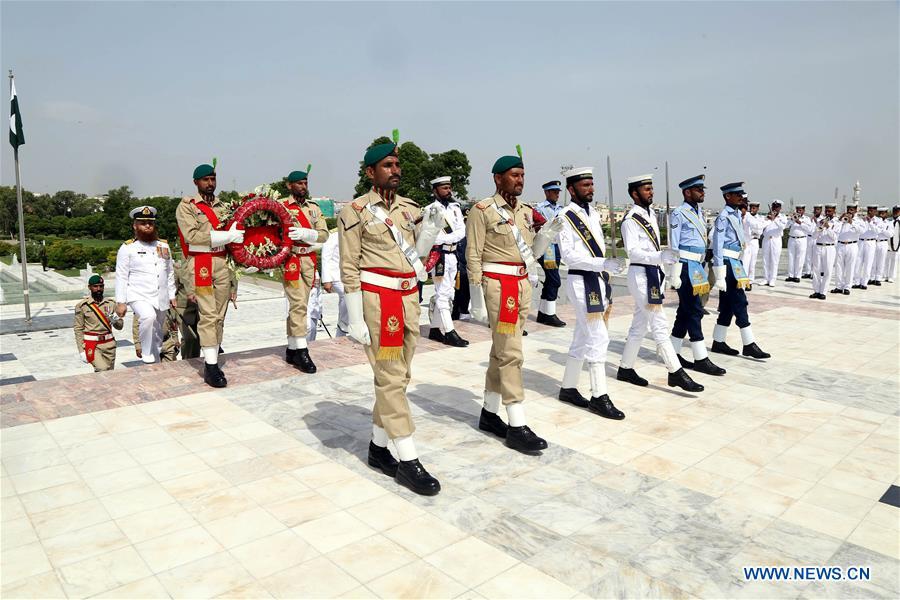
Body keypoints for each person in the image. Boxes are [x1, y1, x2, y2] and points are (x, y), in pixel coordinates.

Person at [339, 134, 444, 496]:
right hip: (379, 303)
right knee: (391, 376)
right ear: (371, 172)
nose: (395, 170)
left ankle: (378, 448)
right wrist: (354, 317)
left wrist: (429, 229)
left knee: (399, 376)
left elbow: (417, 255)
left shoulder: (409, 209)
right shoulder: (354, 212)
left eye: (397, 165)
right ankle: (409, 460)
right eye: (388, 165)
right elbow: (349, 266)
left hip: (408, 299)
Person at [466, 150, 554, 454]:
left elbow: (532, 251)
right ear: (498, 178)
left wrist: (546, 238)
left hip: (521, 285)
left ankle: (489, 414)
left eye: (522, 175)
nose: (520, 181)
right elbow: (473, 254)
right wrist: (476, 297)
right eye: (514, 175)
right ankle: (517, 424)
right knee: (512, 353)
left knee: (500, 352)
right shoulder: (483, 210)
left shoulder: (526, 212)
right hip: (499, 288)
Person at [615, 174, 702, 392]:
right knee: (659, 324)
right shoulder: (631, 220)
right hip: (642, 274)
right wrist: (659, 257)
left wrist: (663, 262)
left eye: (651, 188)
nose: (651, 192)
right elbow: (633, 252)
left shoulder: (652, 214)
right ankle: (675, 371)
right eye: (646, 189)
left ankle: (625, 368)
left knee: (639, 325)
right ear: (635, 193)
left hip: (654, 273)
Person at [555, 167, 626, 419]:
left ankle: (568, 387)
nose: (591, 189)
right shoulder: (565, 217)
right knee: (599, 337)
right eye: (585, 185)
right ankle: (599, 396)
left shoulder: (594, 214)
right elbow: (569, 256)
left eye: (591, 185)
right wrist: (601, 263)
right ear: (571, 189)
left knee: (583, 336)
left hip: (597, 279)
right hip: (581, 280)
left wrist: (605, 265)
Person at [176, 161, 244, 387]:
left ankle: (212, 356)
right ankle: (211, 366)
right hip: (201, 263)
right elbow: (192, 236)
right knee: (207, 316)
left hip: (222, 263)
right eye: (206, 179)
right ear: (196, 182)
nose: (210, 183)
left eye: (213, 179)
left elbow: (232, 244)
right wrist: (226, 237)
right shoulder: (187, 207)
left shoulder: (224, 207)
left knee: (220, 317)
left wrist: (234, 281)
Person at [668, 174, 726, 376]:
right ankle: (700, 358)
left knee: (685, 311)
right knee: (694, 310)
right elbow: (674, 245)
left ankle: (673, 352)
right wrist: (674, 274)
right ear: (687, 192)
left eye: (702, 190)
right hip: (684, 266)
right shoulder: (679, 213)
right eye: (698, 190)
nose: (702, 193)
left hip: (697, 265)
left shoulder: (699, 212)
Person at [709, 182, 770, 359]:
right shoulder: (724, 217)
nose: (741, 198)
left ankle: (718, 342)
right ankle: (749, 343)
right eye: (737, 195)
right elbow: (718, 246)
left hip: (735, 261)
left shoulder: (735, 214)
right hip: (727, 263)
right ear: (728, 196)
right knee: (740, 301)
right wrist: (719, 272)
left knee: (728, 306)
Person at [114, 206, 176, 364]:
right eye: (143, 223)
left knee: (157, 330)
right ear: (135, 225)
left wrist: (172, 294)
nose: (147, 226)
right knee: (148, 317)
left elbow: (169, 272)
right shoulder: (127, 248)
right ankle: (147, 351)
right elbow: (121, 276)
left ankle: (155, 356)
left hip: (160, 295)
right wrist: (121, 302)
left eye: (150, 222)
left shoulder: (163, 246)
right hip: (138, 295)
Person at [281, 168, 329, 372]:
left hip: (308, 258)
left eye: (305, 182)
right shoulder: (282, 206)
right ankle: (301, 350)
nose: (303, 186)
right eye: (299, 183)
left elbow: (323, 234)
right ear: (289, 185)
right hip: (291, 258)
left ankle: (292, 347)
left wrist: (306, 233)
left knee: (301, 303)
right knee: (299, 304)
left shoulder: (314, 208)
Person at [424, 176, 469, 347]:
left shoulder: (455, 208)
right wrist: (448, 237)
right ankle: (449, 332)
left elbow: (462, 232)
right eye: (444, 188)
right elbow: (433, 237)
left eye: (449, 187)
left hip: (453, 255)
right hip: (439, 256)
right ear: (435, 190)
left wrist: (447, 237)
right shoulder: (431, 210)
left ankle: (435, 329)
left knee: (448, 292)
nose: (448, 191)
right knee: (443, 294)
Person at [74, 274, 124, 371]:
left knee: (109, 374)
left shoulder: (111, 304)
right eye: (95, 286)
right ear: (90, 287)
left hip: (109, 344)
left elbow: (120, 326)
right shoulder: (83, 306)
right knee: (102, 369)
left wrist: (114, 319)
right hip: (92, 345)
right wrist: (81, 351)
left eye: (101, 286)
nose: (98, 289)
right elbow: (78, 329)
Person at [534, 180, 566, 327]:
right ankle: (550, 314)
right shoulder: (539, 209)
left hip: (556, 248)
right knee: (555, 280)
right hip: (547, 248)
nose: (557, 194)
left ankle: (542, 313)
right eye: (554, 192)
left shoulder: (561, 209)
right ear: (546, 192)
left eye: (558, 192)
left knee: (550, 280)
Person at [320, 229, 348, 337]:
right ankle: (342, 330)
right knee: (347, 296)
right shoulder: (334, 236)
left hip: (352, 276)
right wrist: (327, 280)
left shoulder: (356, 234)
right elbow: (326, 257)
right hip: (336, 276)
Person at [809, 203, 838, 300]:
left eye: (829, 211)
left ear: (834, 211)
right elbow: (814, 236)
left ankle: (823, 292)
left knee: (828, 270)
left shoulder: (837, 222)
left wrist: (828, 227)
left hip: (829, 248)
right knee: (816, 270)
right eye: (826, 211)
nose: (827, 213)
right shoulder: (820, 221)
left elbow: (834, 238)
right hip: (818, 247)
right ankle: (816, 291)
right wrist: (819, 229)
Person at [832, 204, 862, 295]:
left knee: (850, 267)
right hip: (840, 245)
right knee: (839, 267)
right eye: (848, 209)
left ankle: (848, 287)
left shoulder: (858, 221)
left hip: (852, 245)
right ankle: (838, 286)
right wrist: (840, 220)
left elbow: (861, 231)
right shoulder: (841, 220)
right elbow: (835, 229)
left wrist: (851, 222)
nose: (849, 211)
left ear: (856, 211)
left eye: (852, 210)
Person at [784, 205, 815, 282]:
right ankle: (791, 275)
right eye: (797, 210)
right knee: (791, 257)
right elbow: (785, 226)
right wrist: (791, 220)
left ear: (803, 211)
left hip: (802, 239)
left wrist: (800, 223)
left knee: (800, 258)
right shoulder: (792, 218)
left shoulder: (807, 219)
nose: (798, 211)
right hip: (792, 238)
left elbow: (810, 230)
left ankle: (797, 276)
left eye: (800, 210)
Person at [760, 200, 788, 287]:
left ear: (780, 208)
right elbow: (761, 226)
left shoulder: (782, 217)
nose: (774, 209)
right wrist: (767, 219)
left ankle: (772, 279)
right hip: (766, 239)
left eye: (776, 207)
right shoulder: (766, 216)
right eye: (773, 207)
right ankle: (766, 278)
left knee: (774, 260)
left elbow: (782, 227)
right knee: (765, 260)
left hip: (776, 240)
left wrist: (774, 219)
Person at [854, 205, 880, 289]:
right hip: (861, 242)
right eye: (869, 210)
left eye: (871, 211)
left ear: (875, 212)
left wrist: (870, 223)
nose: (869, 212)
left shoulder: (878, 220)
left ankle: (864, 282)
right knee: (858, 262)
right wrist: (865, 221)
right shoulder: (862, 219)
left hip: (870, 242)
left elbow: (878, 231)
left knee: (868, 263)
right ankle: (856, 282)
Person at [741, 200, 765, 287]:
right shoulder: (746, 216)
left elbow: (760, 230)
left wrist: (756, 231)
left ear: (758, 209)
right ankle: (744, 280)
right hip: (747, 241)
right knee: (745, 261)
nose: (752, 209)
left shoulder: (760, 218)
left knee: (753, 262)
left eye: (754, 208)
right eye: (751, 207)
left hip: (755, 241)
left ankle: (750, 281)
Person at [802, 205, 824, 279]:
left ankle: (814, 272)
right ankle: (807, 272)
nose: (816, 211)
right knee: (808, 256)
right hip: (809, 238)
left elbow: (820, 229)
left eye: (818, 209)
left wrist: (816, 221)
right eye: (815, 209)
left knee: (816, 257)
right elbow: (807, 228)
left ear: (821, 210)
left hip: (817, 238)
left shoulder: (822, 219)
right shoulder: (808, 218)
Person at [872, 207, 890, 285]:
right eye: (880, 213)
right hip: (874, 242)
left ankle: (878, 278)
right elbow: (873, 230)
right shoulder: (875, 221)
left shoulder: (889, 223)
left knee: (881, 261)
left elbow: (890, 234)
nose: (881, 214)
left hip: (883, 243)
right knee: (873, 261)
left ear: (886, 213)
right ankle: (872, 277)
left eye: (883, 213)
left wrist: (883, 230)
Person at [883, 205, 900, 283]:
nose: (895, 212)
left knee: (894, 260)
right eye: (894, 211)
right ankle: (885, 275)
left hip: (897, 243)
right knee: (886, 259)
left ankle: (891, 276)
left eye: (897, 211)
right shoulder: (889, 220)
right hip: (889, 243)